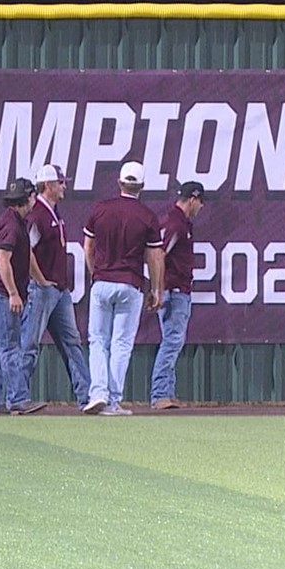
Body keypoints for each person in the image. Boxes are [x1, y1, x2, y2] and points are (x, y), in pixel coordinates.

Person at [81, 161, 164, 416]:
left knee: (97, 341)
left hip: (102, 281)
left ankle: (98, 393)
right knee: (121, 344)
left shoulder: (101, 209)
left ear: (119, 183)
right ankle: (113, 400)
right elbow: (155, 256)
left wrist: (95, 272)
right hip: (131, 283)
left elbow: (88, 247)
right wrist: (157, 289)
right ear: (142, 187)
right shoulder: (147, 216)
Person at [19, 164, 90, 409]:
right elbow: (25, 250)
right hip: (43, 290)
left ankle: (86, 397)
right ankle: (18, 397)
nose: (64, 186)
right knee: (29, 343)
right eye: (60, 182)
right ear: (48, 185)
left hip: (59, 290)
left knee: (72, 343)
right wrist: (39, 279)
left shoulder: (53, 211)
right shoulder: (37, 213)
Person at [0, 178, 48, 415]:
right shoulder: (10, 224)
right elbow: (3, 260)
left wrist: (40, 280)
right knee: (10, 347)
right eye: (32, 195)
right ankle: (18, 398)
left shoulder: (18, 221)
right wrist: (13, 294)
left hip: (0, 291)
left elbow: (25, 256)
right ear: (26, 198)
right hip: (1, 292)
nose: (34, 199)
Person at [151, 181, 206, 410]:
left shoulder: (175, 220)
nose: (200, 208)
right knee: (172, 341)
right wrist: (160, 289)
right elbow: (160, 255)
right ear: (193, 199)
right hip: (173, 290)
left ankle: (167, 392)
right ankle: (160, 394)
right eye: (200, 203)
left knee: (173, 340)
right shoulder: (177, 224)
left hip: (174, 289)